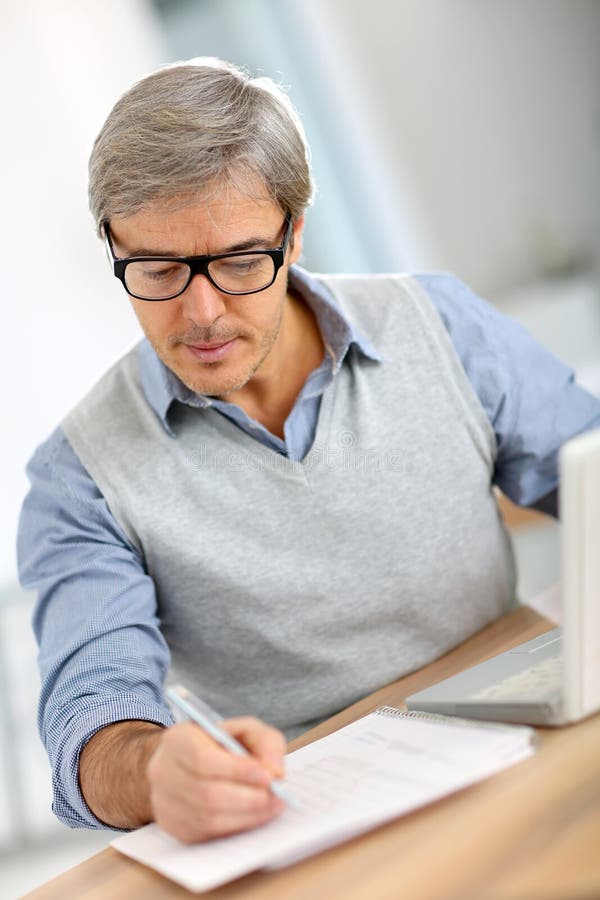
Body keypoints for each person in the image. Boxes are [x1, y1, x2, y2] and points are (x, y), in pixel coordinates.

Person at [17, 57, 600, 845]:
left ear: (292, 234)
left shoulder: (439, 323)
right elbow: (91, 722)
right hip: (315, 817)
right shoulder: (79, 476)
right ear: (113, 246)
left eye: (237, 261)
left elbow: (585, 471)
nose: (201, 313)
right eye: (155, 269)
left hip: (523, 744)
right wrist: (156, 772)